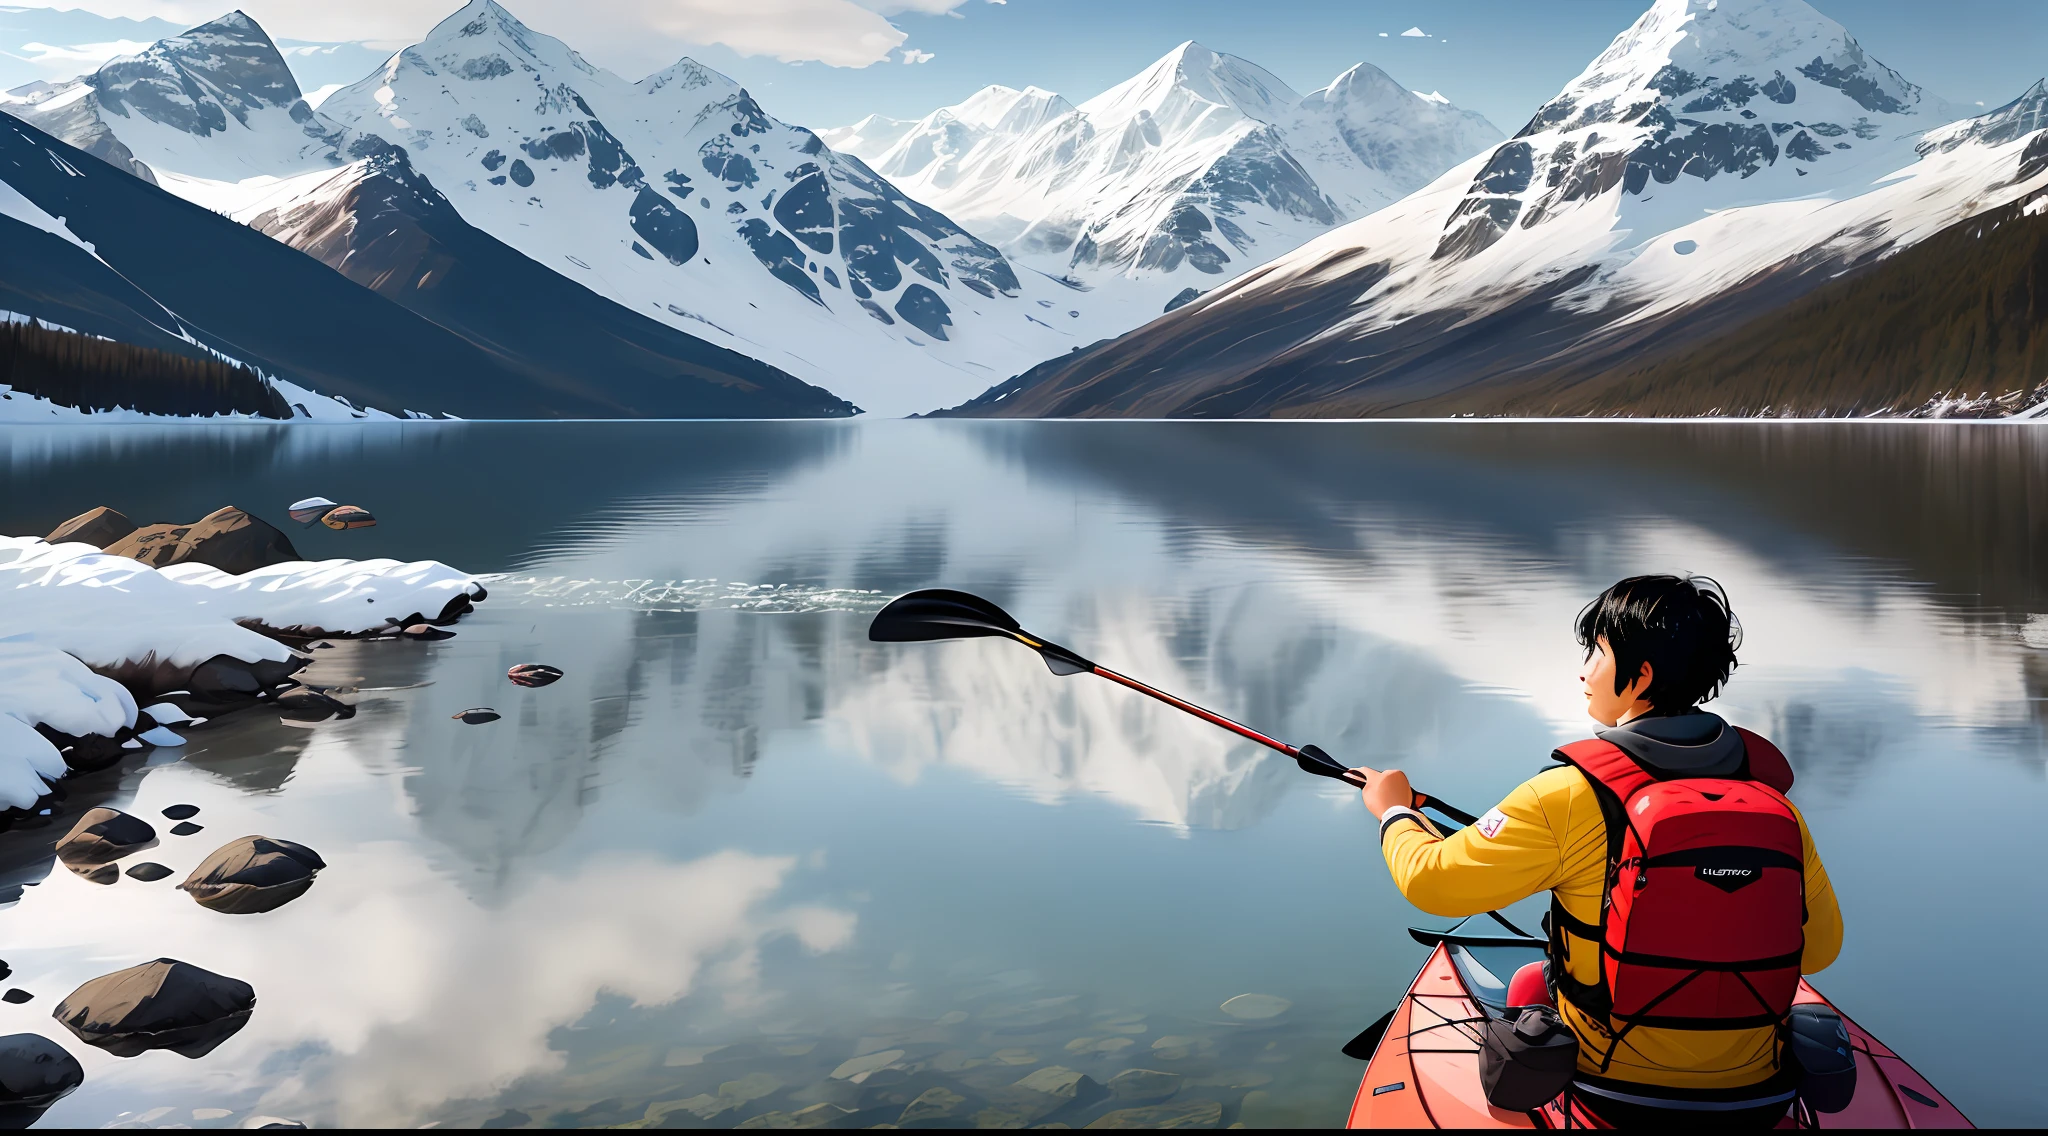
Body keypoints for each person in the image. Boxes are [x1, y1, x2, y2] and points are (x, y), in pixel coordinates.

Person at [1354, 575, 1843, 1128]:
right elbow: (1819, 951)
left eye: (1598, 653)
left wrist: (1394, 811)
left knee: (1529, 983)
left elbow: (1432, 881)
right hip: (1756, 1096)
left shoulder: (1567, 794)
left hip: (1610, 1090)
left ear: (1641, 678)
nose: (1584, 671)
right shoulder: (1774, 805)